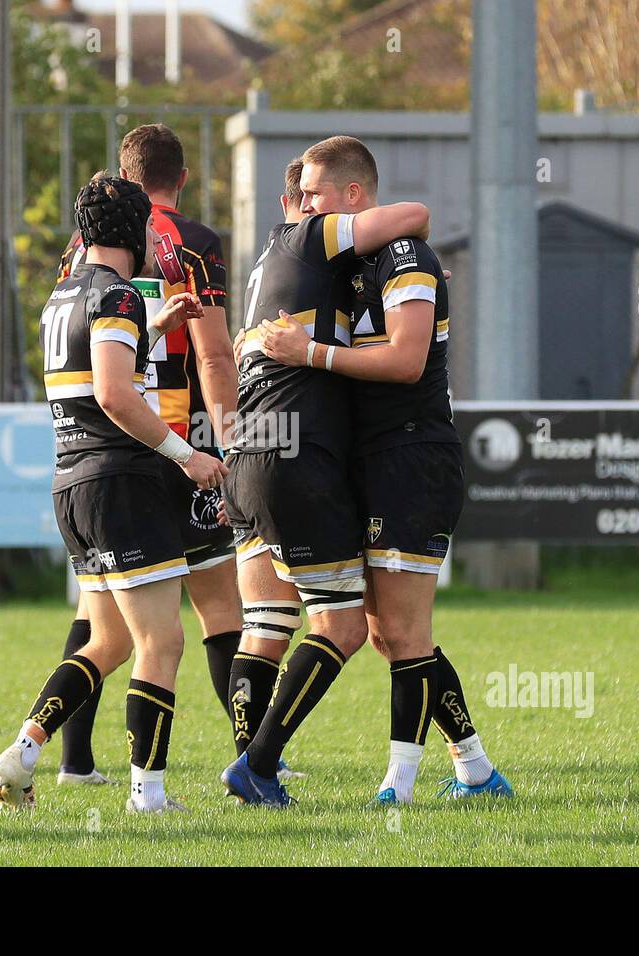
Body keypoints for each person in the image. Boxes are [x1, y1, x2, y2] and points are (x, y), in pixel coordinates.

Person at [259, 136, 512, 803]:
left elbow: (405, 361)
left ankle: (397, 787)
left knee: (401, 631)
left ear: (352, 195)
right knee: (386, 631)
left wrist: (309, 353)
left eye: (312, 194)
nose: (301, 206)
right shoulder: (353, 266)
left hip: (413, 456)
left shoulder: (404, 257)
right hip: (371, 461)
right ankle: (477, 769)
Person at [0, 174, 227, 813]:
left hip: (72, 483)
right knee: (163, 642)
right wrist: (188, 455)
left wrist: (153, 326)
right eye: (149, 227)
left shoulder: (62, 294)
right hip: (123, 482)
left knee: (110, 642)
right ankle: (147, 794)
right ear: (131, 231)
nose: (155, 237)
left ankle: (25, 750)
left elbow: (93, 376)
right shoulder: (117, 295)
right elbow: (115, 395)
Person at [218, 143, 433, 806]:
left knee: (266, 621)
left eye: (314, 192)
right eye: (305, 194)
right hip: (295, 458)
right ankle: (257, 765)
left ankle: (256, 764)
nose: (306, 203)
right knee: (344, 627)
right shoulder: (310, 238)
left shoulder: (268, 266)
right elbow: (416, 213)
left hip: (251, 451)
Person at [51, 124, 243, 784]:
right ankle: (248, 758)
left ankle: (71, 758)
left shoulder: (78, 254)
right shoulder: (194, 245)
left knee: (100, 618)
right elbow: (215, 355)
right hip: (169, 437)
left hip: (90, 455)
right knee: (215, 606)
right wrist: (223, 442)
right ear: (181, 179)